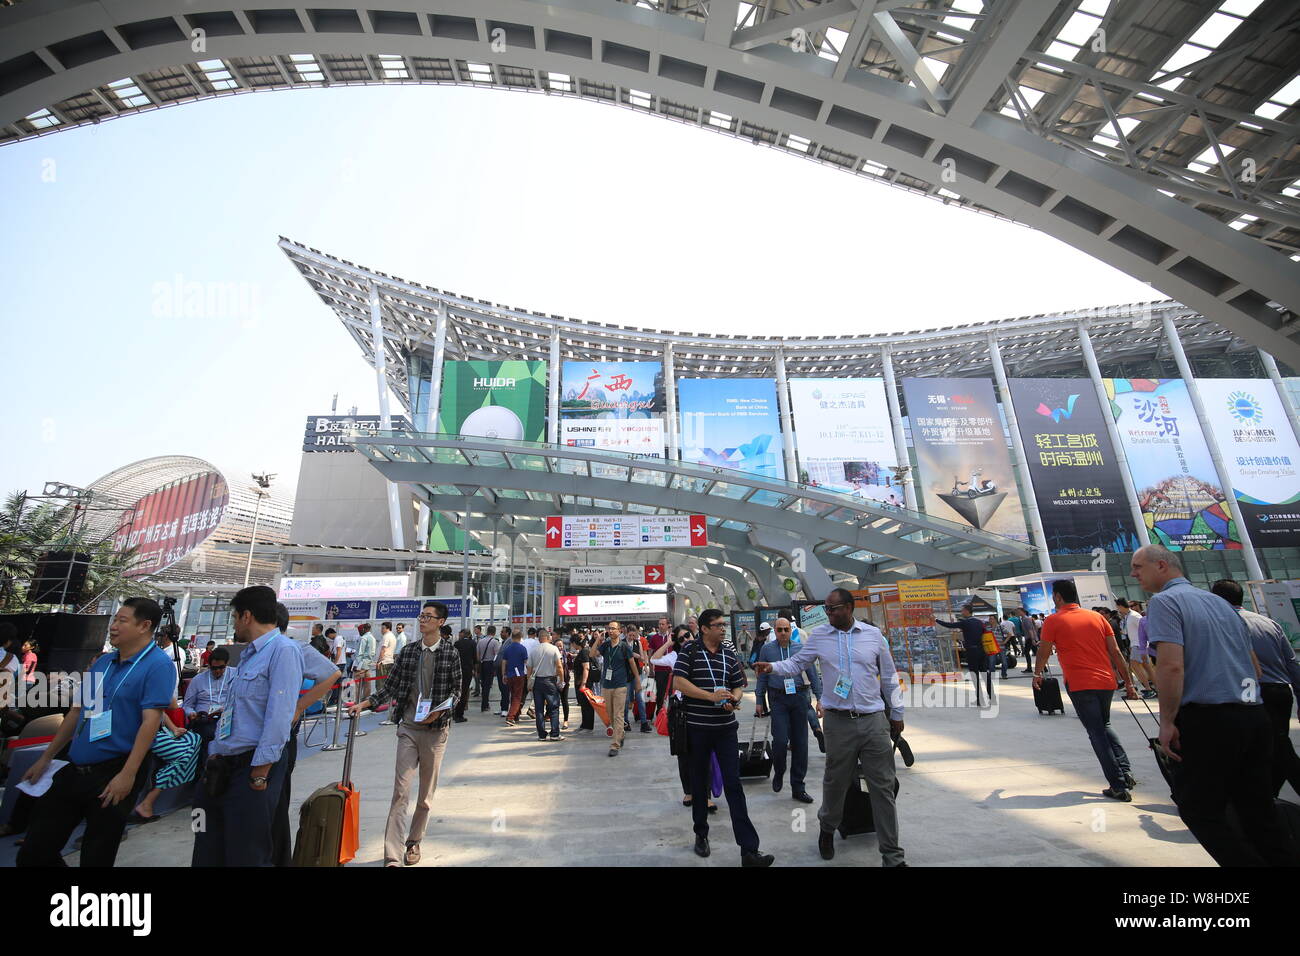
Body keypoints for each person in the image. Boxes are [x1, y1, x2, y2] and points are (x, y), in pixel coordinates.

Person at [1133, 544, 1298, 867]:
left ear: (1162, 566)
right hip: (1253, 715)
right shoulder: (1222, 605)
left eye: (1138, 567)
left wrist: (1167, 722)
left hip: (1209, 721)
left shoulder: (1165, 602)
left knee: (1199, 808)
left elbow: (1170, 666)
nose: (1133, 574)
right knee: (1257, 809)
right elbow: (1256, 668)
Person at [17, 599, 175, 867]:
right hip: (76, 765)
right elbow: (77, 713)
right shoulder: (104, 663)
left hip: (115, 770)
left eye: (122, 621)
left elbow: (150, 722)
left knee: (97, 854)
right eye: (114, 620)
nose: (113, 627)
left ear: (144, 626)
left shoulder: (158, 665)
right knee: (35, 851)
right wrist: (47, 757)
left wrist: (128, 774)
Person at [756, 587, 906, 867]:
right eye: (826, 608)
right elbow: (796, 663)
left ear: (849, 608)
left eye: (832, 608)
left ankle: (893, 856)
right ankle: (827, 829)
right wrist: (772, 668)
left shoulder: (873, 636)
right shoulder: (820, 636)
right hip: (838, 722)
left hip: (873, 721)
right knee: (835, 783)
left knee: (882, 787)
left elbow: (889, 677)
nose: (828, 613)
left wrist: (896, 712)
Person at [192, 586, 303, 867]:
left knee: (247, 852)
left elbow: (279, 715)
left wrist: (261, 772)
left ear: (246, 616)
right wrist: (216, 751)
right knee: (208, 844)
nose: (233, 622)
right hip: (223, 764)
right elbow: (234, 709)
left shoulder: (284, 651)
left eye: (234, 616)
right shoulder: (249, 654)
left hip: (253, 768)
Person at [349, 601, 461, 867]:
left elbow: (457, 692)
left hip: (435, 732)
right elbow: (391, 687)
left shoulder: (450, 653)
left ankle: (414, 842)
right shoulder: (409, 651)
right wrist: (364, 704)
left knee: (425, 797)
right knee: (400, 792)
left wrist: (441, 712)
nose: (422, 620)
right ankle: (393, 855)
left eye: (428, 617)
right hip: (408, 728)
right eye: (421, 616)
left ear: (440, 622)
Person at [673, 609, 772, 866]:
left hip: (726, 728)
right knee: (699, 783)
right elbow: (679, 683)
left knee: (734, 785)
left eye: (722, 625)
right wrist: (710, 697)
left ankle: (749, 850)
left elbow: (738, 684)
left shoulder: (729, 653)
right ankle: (701, 834)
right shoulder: (690, 651)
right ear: (704, 628)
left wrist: (734, 698)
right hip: (697, 728)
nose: (722, 629)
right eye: (717, 625)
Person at [1033, 579, 1138, 801]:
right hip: (1106, 682)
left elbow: (1043, 652)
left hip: (1080, 684)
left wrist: (1037, 674)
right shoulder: (1097, 617)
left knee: (1096, 732)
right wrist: (1128, 681)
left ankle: (1117, 784)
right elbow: (1116, 652)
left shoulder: (1053, 620)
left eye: (1054, 595)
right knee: (1105, 725)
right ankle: (1125, 772)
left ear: (1058, 597)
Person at [1209, 579, 1300, 799]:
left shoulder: (1224, 625)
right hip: (1281, 692)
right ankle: (1269, 796)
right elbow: (1291, 663)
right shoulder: (1268, 623)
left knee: (1276, 747)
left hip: (1253, 693)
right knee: (1274, 745)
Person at [271, 602, 341, 867]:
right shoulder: (250, 653)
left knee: (275, 802)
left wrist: (299, 707)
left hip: (279, 740)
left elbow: (332, 672)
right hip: (251, 746)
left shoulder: (293, 649)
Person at [754, 617, 820, 804]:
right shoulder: (767, 650)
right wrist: (759, 699)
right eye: (779, 629)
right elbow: (762, 676)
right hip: (778, 699)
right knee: (781, 740)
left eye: (786, 629)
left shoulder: (800, 649)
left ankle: (798, 786)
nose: (783, 632)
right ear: (774, 631)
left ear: (791, 631)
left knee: (800, 743)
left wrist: (820, 698)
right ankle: (779, 770)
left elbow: (813, 674)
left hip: (799, 697)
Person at [183, 645, 233, 767]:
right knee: (208, 734)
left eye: (221, 668)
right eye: (214, 668)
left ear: (227, 664)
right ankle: (206, 769)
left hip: (228, 718)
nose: (217, 671)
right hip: (205, 719)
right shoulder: (198, 679)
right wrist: (192, 714)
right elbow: (187, 705)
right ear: (209, 665)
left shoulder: (235, 675)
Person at [597, 621, 639, 757]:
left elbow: (632, 663)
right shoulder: (605, 646)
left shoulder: (624, 647)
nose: (611, 631)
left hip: (621, 685)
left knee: (618, 714)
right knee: (610, 714)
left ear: (620, 631)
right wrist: (598, 639)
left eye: (613, 629)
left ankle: (615, 745)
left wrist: (637, 681)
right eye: (609, 628)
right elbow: (592, 654)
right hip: (607, 685)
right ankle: (620, 734)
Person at [937, 605, 992, 705]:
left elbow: (949, 625)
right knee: (985, 673)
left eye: (962, 610)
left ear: (967, 611)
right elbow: (985, 633)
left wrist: (936, 620)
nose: (961, 612)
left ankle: (979, 699)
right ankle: (990, 696)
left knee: (975, 675)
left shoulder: (965, 622)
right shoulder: (979, 622)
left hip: (971, 651)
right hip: (982, 651)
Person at [1116, 598, 1157, 699]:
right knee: (1146, 667)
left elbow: (1145, 628)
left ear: (1120, 606)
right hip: (1136, 644)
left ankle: (1148, 689)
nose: (1118, 609)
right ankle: (1156, 688)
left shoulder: (1134, 616)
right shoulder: (1128, 616)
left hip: (1138, 644)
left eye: (1118, 607)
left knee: (1134, 665)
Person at [527, 630, 564, 741]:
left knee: (539, 709)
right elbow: (559, 666)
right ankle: (554, 734)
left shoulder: (533, 651)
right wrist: (561, 680)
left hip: (537, 682)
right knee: (553, 707)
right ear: (548, 638)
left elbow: (529, 669)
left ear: (539, 639)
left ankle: (542, 735)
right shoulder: (554, 649)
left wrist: (529, 682)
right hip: (550, 681)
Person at [500, 630, 530, 726]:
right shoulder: (522, 648)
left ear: (512, 637)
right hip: (519, 675)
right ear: (521, 636)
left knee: (513, 695)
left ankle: (516, 715)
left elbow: (504, 662)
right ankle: (511, 717)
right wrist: (529, 675)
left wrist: (503, 674)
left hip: (509, 675)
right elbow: (526, 663)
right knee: (517, 697)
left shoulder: (507, 648)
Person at [570, 635, 596, 735]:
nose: (572, 646)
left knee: (587, 705)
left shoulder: (584, 652)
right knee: (583, 704)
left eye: (572, 644)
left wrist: (583, 684)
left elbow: (586, 668)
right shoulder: (582, 652)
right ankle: (584, 724)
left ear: (575, 643)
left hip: (585, 683)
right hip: (580, 682)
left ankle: (588, 726)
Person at [452, 628, 476, 723]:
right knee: (464, 692)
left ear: (463, 634)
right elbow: (475, 657)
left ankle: (453, 712)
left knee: (456, 690)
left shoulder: (457, 643)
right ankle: (459, 715)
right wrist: (475, 669)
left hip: (457, 669)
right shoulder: (473, 643)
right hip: (467, 670)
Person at [477, 625, 501, 713]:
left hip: (482, 664)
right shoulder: (495, 642)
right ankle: (485, 704)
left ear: (487, 632)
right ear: (494, 632)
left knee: (483, 685)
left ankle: (484, 704)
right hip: (490, 664)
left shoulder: (480, 641)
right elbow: (497, 655)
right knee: (487, 685)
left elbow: (478, 655)